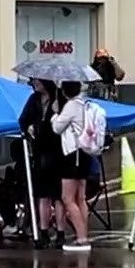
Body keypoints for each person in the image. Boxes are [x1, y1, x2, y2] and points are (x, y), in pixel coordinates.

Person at [51, 81, 105, 253]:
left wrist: (54, 114)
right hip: (84, 153)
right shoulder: (85, 105)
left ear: (65, 92)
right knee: (80, 198)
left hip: (72, 155)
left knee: (67, 198)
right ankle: (84, 235)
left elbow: (57, 128)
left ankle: (81, 239)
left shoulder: (71, 106)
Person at [18, 78, 64, 247]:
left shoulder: (59, 98)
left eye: (37, 80)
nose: (34, 83)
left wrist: (58, 112)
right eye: (33, 81)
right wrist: (28, 126)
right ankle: (43, 231)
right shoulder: (33, 100)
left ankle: (60, 232)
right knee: (43, 195)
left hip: (58, 152)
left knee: (58, 196)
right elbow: (22, 120)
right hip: (40, 151)